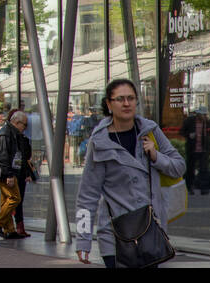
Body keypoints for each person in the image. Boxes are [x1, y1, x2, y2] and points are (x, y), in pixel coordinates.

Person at [76, 78, 185, 268]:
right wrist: (83, 240)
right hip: (116, 237)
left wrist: (155, 156)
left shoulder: (150, 130)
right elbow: (87, 195)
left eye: (131, 98)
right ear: (109, 104)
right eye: (120, 99)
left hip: (150, 232)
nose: (126, 103)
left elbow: (178, 166)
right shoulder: (100, 142)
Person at [0, 110, 36, 239]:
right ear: (16, 122)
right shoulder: (6, 134)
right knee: (15, 198)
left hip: (8, 171)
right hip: (4, 172)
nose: (25, 128)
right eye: (24, 125)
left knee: (6, 200)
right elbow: (3, 156)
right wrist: (9, 175)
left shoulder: (13, 134)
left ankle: (9, 229)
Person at [179, 107, 210, 194]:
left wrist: (209, 148)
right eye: (202, 115)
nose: (204, 116)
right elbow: (182, 131)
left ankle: (204, 188)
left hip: (203, 149)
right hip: (192, 148)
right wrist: (189, 135)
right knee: (190, 169)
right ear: (198, 114)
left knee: (204, 169)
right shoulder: (189, 121)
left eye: (205, 115)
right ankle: (189, 187)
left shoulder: (207, 122)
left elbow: (209, 135)